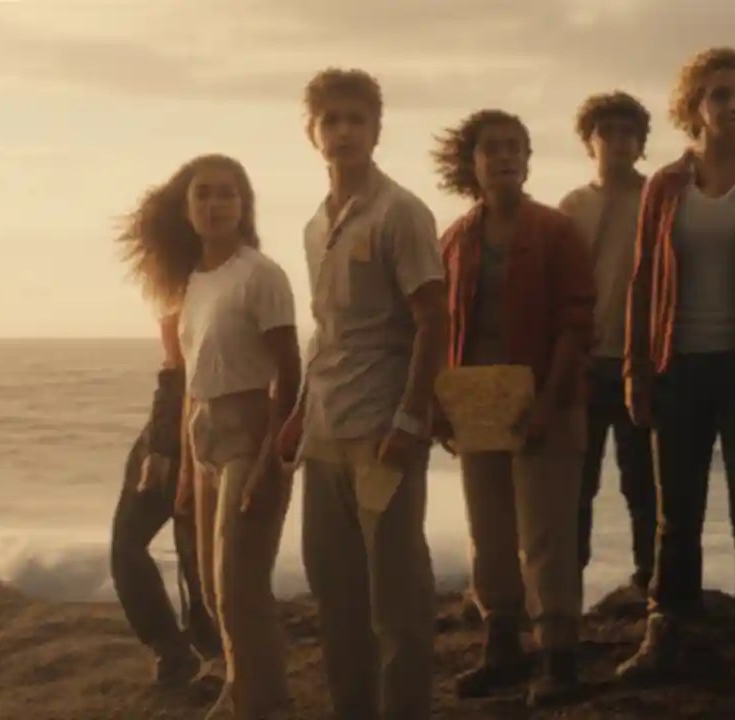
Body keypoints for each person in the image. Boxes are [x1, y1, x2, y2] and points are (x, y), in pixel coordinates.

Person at [616, 47, 735, 698]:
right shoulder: (664, 185)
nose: (733, 105)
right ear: (694, 103)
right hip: (677, 370)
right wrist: (635, 371)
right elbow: (642, 280)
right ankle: (667, 629)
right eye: (720, 93)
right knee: (679, 511)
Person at [279, 68, 446, 720]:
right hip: (325, 434)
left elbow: (434, 319)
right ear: (312, 132)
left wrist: (411, 417)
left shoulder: (400, 212)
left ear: (377, 131)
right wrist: (295, 414)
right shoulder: (317, 224)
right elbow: (325, 332)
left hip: (383, 432)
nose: (343, 130)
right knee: (336, 595)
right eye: (331, 120)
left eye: (357, 119)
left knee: (397, 601)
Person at [117, 153, 301, 720]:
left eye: (227, 194)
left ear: (244, 207)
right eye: (204, 194)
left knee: (241, 587)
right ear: (186, 207)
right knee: (216, 590)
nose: (215, 204)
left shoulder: (260, 274)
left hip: (252, 434)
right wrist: (187, 475)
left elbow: (290, 374)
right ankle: (244, 692)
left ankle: (261, 704)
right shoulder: (194, 282)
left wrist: (275, 461)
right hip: (204, 439)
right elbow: (192, 381)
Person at [434, 109, 596, 707]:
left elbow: (577, 324)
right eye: (490, 149)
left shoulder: (556, 231)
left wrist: (547, 404)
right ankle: (502, 646)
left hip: (548, 402)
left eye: (514, 148)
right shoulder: (454, 240)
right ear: (471, 163)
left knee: (546, 534)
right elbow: (437, 329)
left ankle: (559, 657)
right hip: (478, 408)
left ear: (528, 160)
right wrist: (440, 406)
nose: (503, 157)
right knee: (490, 534)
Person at [558, 90, 657, 595]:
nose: (618, 143)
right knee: (577, 484)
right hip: (584, 364)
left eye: (628, 134)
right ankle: (567, 589)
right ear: (588, 142)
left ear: (642, 144)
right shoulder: (572, 207)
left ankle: (649, 585)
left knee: (644, 484)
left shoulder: (657, 200)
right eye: (607, 133)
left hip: (640, 364)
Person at [110, 361, 222, 689]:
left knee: (136, 545)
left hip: (183, 431)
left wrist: (159, 447)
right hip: (198, 425)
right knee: (191, 548)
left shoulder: (182, 309)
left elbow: (177, 367)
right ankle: (197, 651)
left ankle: (183, 651)